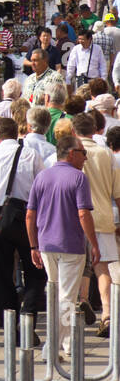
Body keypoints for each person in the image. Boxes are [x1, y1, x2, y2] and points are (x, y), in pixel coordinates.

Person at [27, 136, 99, 360]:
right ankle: (53, 346)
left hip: (47, 243)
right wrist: (94, 244)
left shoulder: (42, 176)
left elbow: (30, 215)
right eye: (83, 152)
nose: (86, 157)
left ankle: (67, 344)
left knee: (59, 294)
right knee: (66, 297)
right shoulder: (78, 178)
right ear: (71, 153)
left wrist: (33, 245)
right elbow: (83, 213)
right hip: (71, 245)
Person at [0, 117, 45, 327]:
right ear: (16, 134)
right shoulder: (31, 155)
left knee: (2, 271)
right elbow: (42, 189)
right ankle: (28, 313)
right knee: (34, 269)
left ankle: (8, 318)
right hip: (26, 214)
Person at [73, 112, 120, 335]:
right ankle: (108, 314)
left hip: (74, 217)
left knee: (79, 266)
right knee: (103, 268)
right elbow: (117, 192)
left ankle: (81, 302)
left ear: (74, 131)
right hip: (101, 215)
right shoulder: (106, 154)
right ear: (95, 130)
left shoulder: (70, 153)